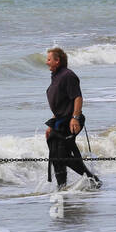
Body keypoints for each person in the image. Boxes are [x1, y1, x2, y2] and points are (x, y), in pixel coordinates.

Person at [44, 47, 101, 189]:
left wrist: (75, 117)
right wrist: (51, 125)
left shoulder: (68, 75)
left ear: (57, 61)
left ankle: (92, 179)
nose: (46, 62)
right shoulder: (56, 77)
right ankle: (61, 187)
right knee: (56, 154)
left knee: (62, 153)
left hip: (70, 121)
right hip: (59, 121)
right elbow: (60, 104)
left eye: (49, 59)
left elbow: (77, 97)